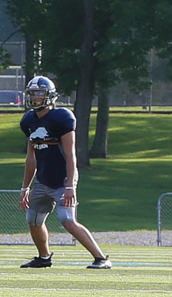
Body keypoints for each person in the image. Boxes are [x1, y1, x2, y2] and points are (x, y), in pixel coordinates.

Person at [16, 76, 111, 269]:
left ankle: (101, 258)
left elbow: (70, 154)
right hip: (43, 180)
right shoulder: (28, 121)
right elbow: (31, 158)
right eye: (32, 93)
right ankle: (44, 258)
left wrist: (70, 185)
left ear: (49, 96)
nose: (35, 97)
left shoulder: (62, 117)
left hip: (63, 179)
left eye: (39, 93)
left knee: (67, 220)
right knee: (33, 219)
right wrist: (25, 187)